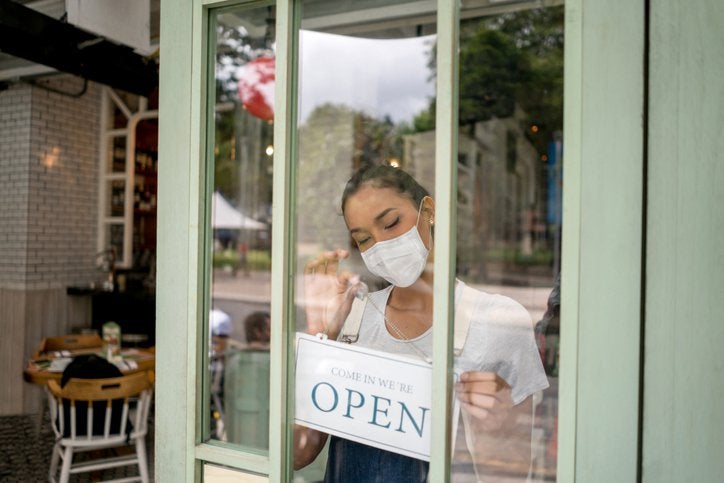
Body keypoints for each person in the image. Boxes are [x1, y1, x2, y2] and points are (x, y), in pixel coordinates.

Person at [294, 164, 549, 481]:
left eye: (390, 223)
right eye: (364, 239)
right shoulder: (352, 319)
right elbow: (296, 455)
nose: (381, 245)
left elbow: (517, 471)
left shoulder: (497, 320)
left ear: (428, 210)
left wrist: (497, 427)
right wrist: (320, 335)